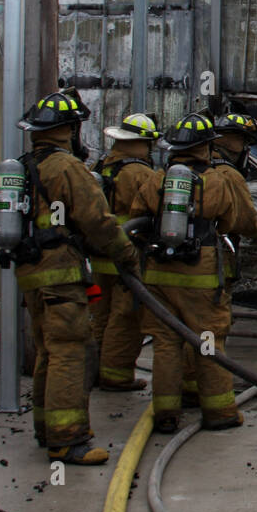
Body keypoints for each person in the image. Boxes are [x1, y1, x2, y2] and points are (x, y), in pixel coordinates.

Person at [12, 90, 142, 465]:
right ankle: (69, 440)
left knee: (49, 351)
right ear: (68, 128)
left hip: (32, 272)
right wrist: (126, 255)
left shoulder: (25, 165)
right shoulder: (66, 167)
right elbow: (98, 222)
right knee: (72, 351)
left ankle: (46, 428)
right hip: (61, 273)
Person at [128, 113, 257, 433]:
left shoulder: (156, 179)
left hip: (158, 271)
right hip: (199, 271)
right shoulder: (219, 180)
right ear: (206, 147)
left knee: (165, 342)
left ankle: (166, 414)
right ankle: (220, 412)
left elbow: (137, 218)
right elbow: (238, 222)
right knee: (208, 340)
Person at [179, 111, 257, 408]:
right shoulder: (228, 176)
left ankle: (183, 392)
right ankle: (218, 407)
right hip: (210, 265)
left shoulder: (179, 169)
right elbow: (246, 223)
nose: (244, 147)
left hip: (169, 266)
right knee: (211, 331)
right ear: (232, 141)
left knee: (179, 332)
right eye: (242, 140)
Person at [89, 112, 159, 391]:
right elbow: (156, 211)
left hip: (98, 255)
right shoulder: (141, 174)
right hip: (127, 256)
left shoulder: (100, 167)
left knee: (100, 316)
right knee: (125, 317)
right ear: (142, 143)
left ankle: (92, 371)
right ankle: (116, 376)